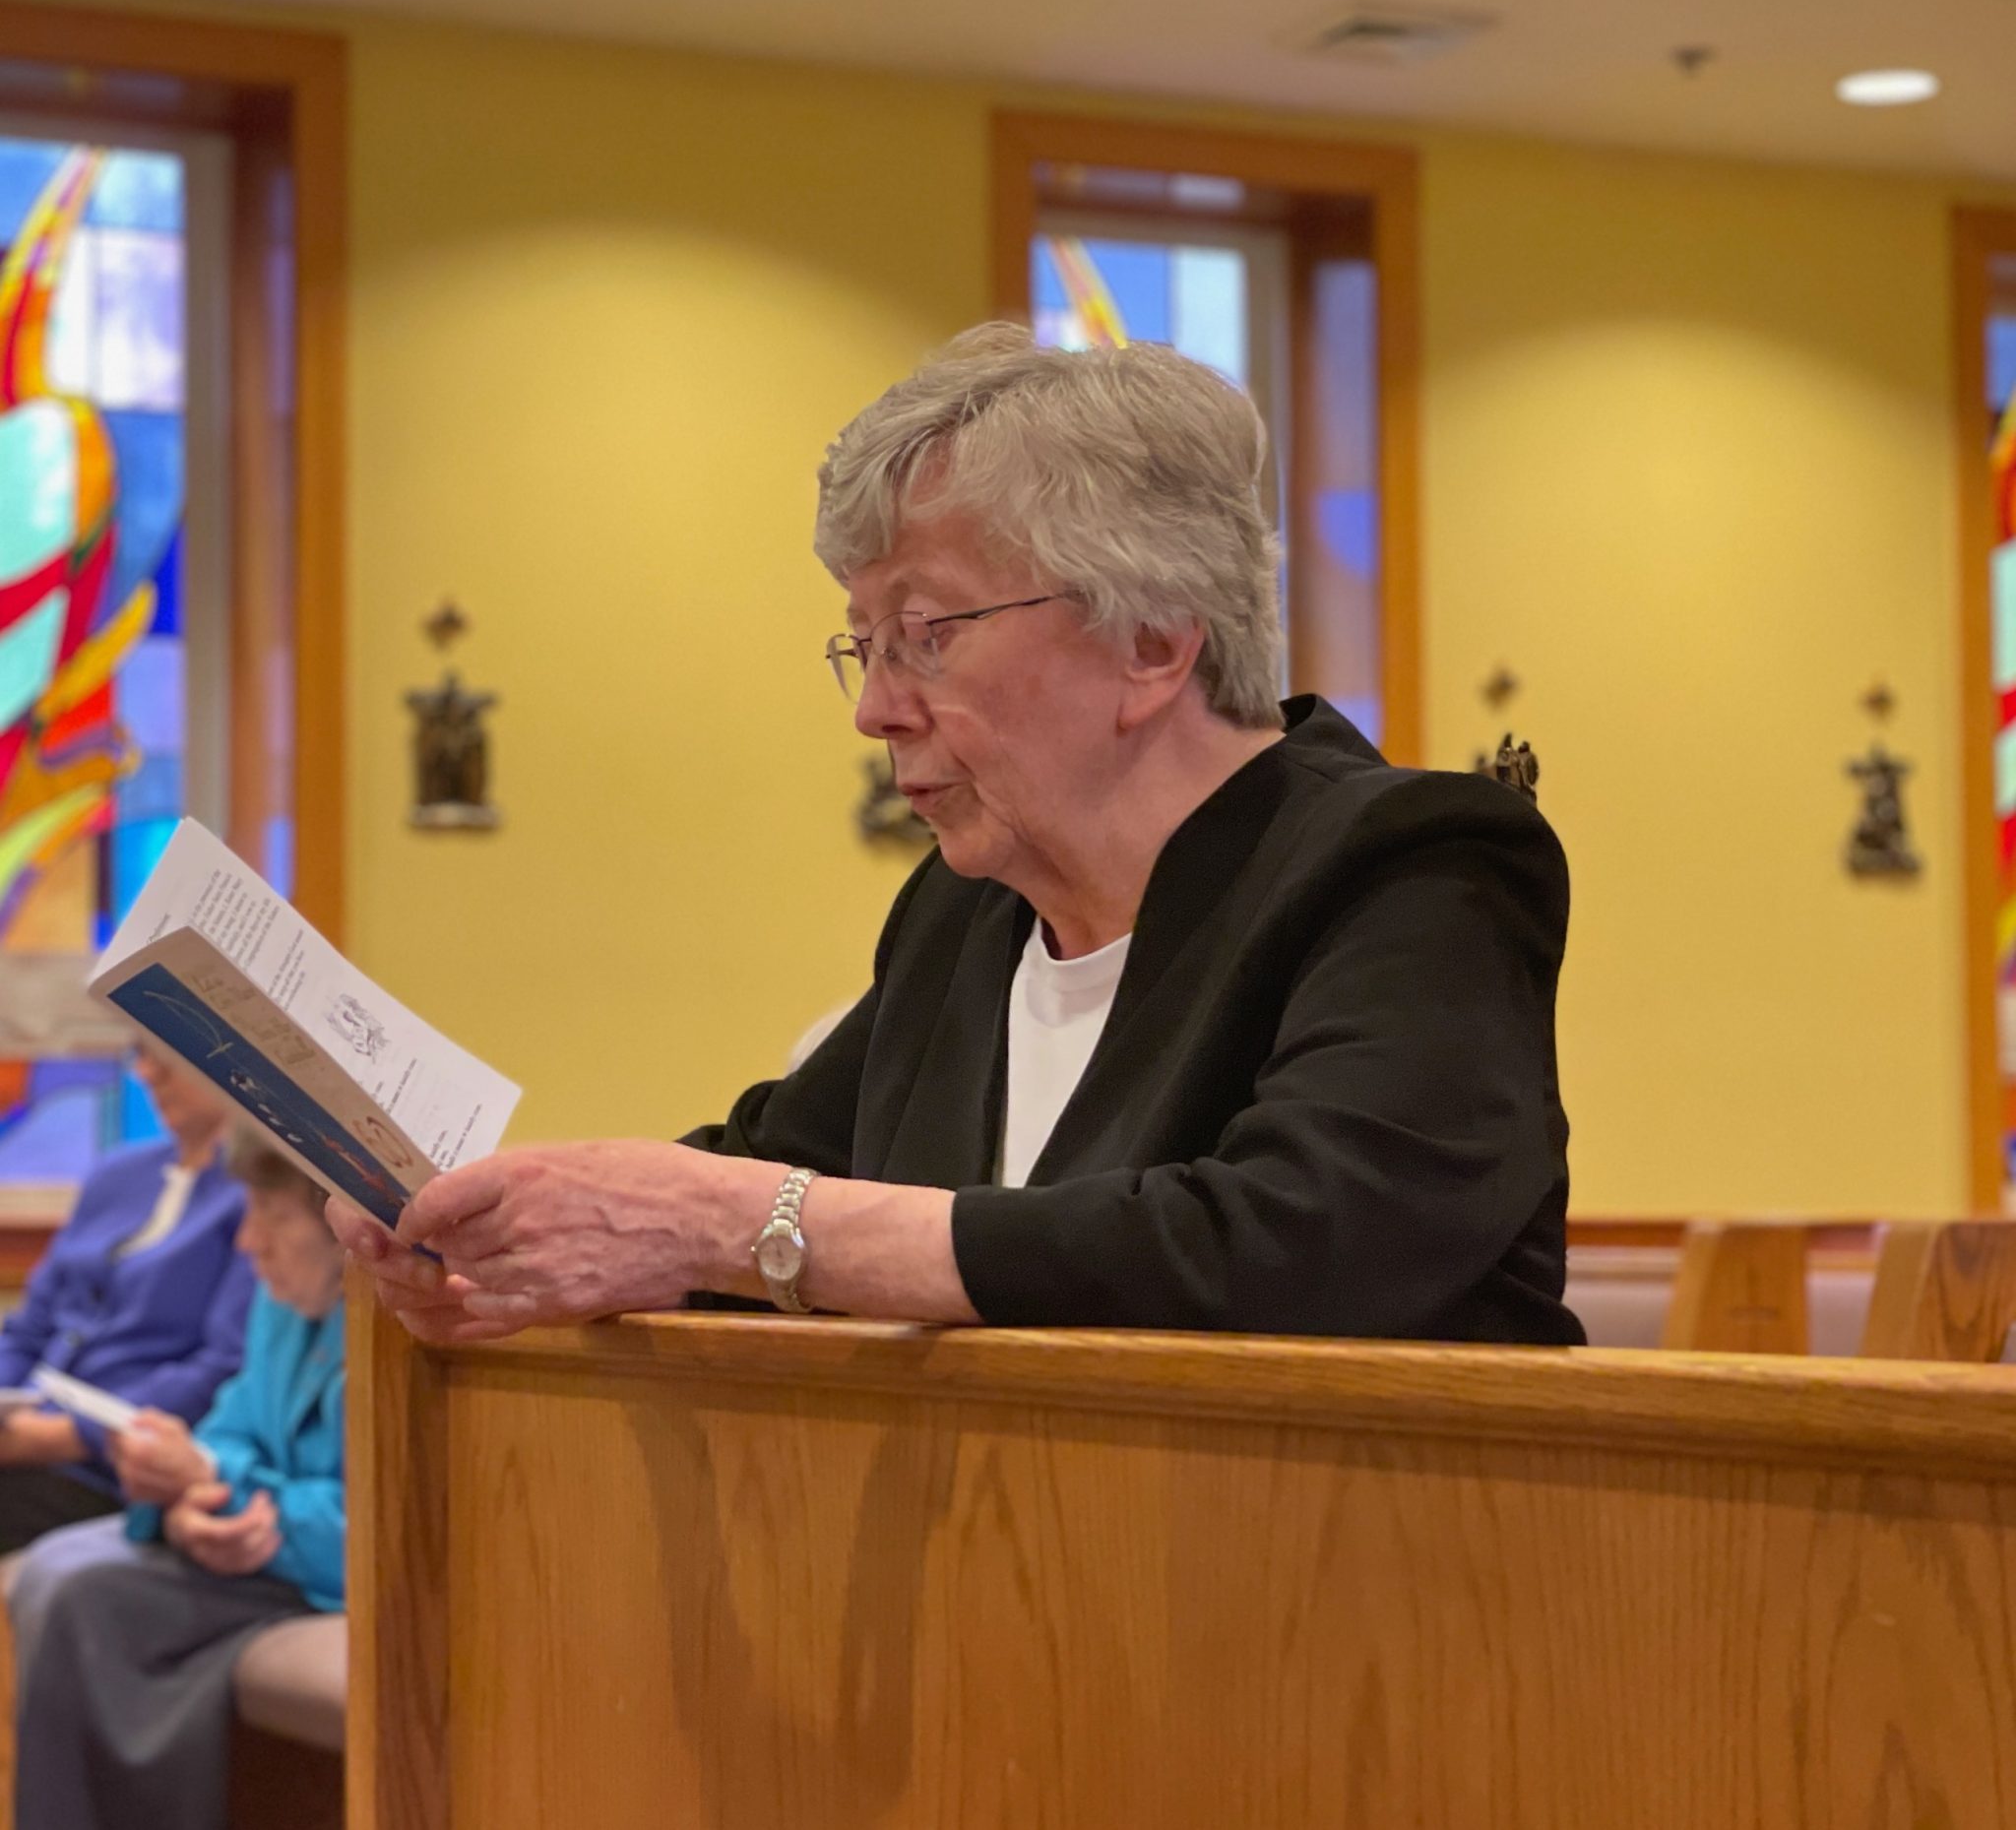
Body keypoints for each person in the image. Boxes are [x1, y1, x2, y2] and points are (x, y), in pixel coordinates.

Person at [335, 324, 1583, 1345]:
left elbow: (1298, 1242)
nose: (879, 707)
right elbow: (766, 1172)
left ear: (1151, 641)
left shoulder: (1416, 870)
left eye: (926, 635)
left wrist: (733, 1220)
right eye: (863, 645)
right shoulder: (966, 913)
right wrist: (498, 1230)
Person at [7, 1128, 346, 1830]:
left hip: (309, 1561)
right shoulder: (283, 1306)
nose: (248, 1244)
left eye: (273, 1217)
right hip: (252, 1538)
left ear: (344, 1233)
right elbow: (227, 1432)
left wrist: (226, 1490)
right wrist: (185, 1502)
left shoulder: (384, 1329)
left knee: (78, 1589)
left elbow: (370, 1529)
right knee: (58, 1565)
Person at [0, 1043, 254, 1549]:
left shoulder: (260, 1193)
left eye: (167, 1050)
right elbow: (28, 1329)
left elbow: (223, 1368)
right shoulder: (115, 1176)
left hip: (118, 1466)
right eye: (140, 1051)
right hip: (26, 1434)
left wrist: (55, 1438)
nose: (146, 1071)